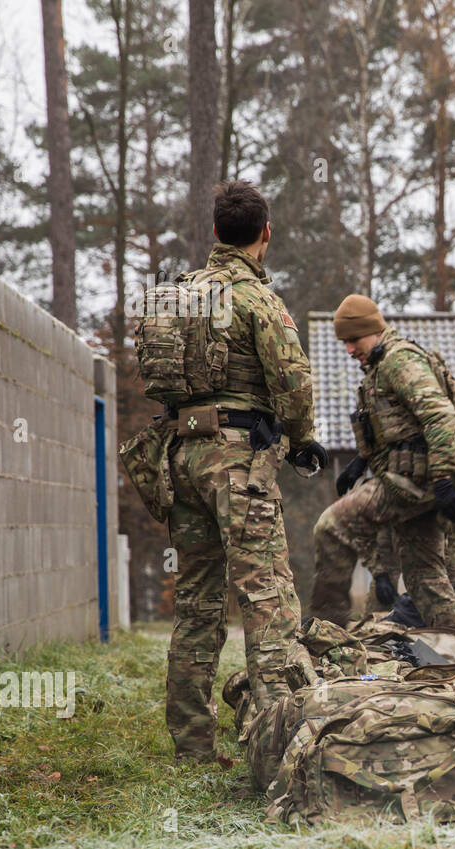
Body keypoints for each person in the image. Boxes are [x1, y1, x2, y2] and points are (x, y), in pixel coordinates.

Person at [129, 179, 326, 763]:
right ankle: (277, 747)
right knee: (266, 597)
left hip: (179, 458)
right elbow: (293, 382)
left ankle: (191, 746)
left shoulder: (178, 296)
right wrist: (301, 439)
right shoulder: (257, 298)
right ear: (266, 233)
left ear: (215, 232)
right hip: (237, 463)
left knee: (197, 600)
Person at [310, 293, 455, 631]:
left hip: (411, 485)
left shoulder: (399, 361)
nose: (349, 349)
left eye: (354, 339)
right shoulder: (380, 365)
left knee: (332, 526)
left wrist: (442, 479)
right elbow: (397, 429)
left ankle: (327, 637)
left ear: (374, 330)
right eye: (344, 342)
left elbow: (441, 416)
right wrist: (360, 461)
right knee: (424, 574)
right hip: (412, 483)